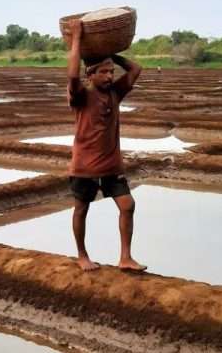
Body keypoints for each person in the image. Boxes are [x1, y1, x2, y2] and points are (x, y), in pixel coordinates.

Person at [66, 19, 147, 272]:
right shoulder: (81, 96)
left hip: (112, 165)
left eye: (112, 72)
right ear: (90, 75)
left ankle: (125, 257)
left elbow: (135, 69)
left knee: (128, 205)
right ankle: (82, 255)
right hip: (85, 166)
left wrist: (111, 53)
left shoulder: (115, 93)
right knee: (81, 209)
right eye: (105, 72)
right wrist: (78, 38)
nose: (111, 76)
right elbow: (71, 74)